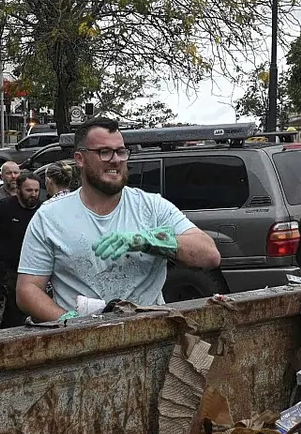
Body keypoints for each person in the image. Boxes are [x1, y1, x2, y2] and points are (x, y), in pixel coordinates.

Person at [16, 121, 220, 321]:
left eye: (121, 151)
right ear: (80, 158)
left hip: (149, 334)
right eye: (104, 152)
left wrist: (149, 240)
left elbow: (209, 255)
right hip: (79, 342)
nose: (116, 160)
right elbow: (28, 290)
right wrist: (70, 323)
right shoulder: (50, 216)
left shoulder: (152, 207)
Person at [0, 174, 42, 327]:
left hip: (35, 267)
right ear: (18, 190)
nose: (33, 194)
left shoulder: (43, 210)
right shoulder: (2, 208)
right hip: (8, 269)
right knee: (15, 306)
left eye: (36, 190)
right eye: (29, 190)